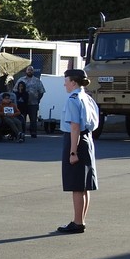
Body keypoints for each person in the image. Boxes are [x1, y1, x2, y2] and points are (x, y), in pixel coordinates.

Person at [57, 69, 99, 234]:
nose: (64, 83)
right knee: (84, 185)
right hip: (87, 139)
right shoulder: (87, 97)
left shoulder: (73, 98)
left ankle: (77, 222)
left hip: (76, 140)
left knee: (76, 185)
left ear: (73, 82)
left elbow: (74, 126)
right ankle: (80, 220)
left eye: (66, 80)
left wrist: (73, 151)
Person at [14, 65, 46, 138]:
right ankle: (22, 133)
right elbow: (15, 90)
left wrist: (38, 99)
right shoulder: (21, 80)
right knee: (22, 118)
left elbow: (41, 91)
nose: (30, 71)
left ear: (33, 71)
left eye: (31, 70)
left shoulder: (37, 81)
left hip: (33, 103)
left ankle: (33, 133)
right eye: (28, 70)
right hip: (23, 104)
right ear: (26, 71)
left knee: (33, 119)